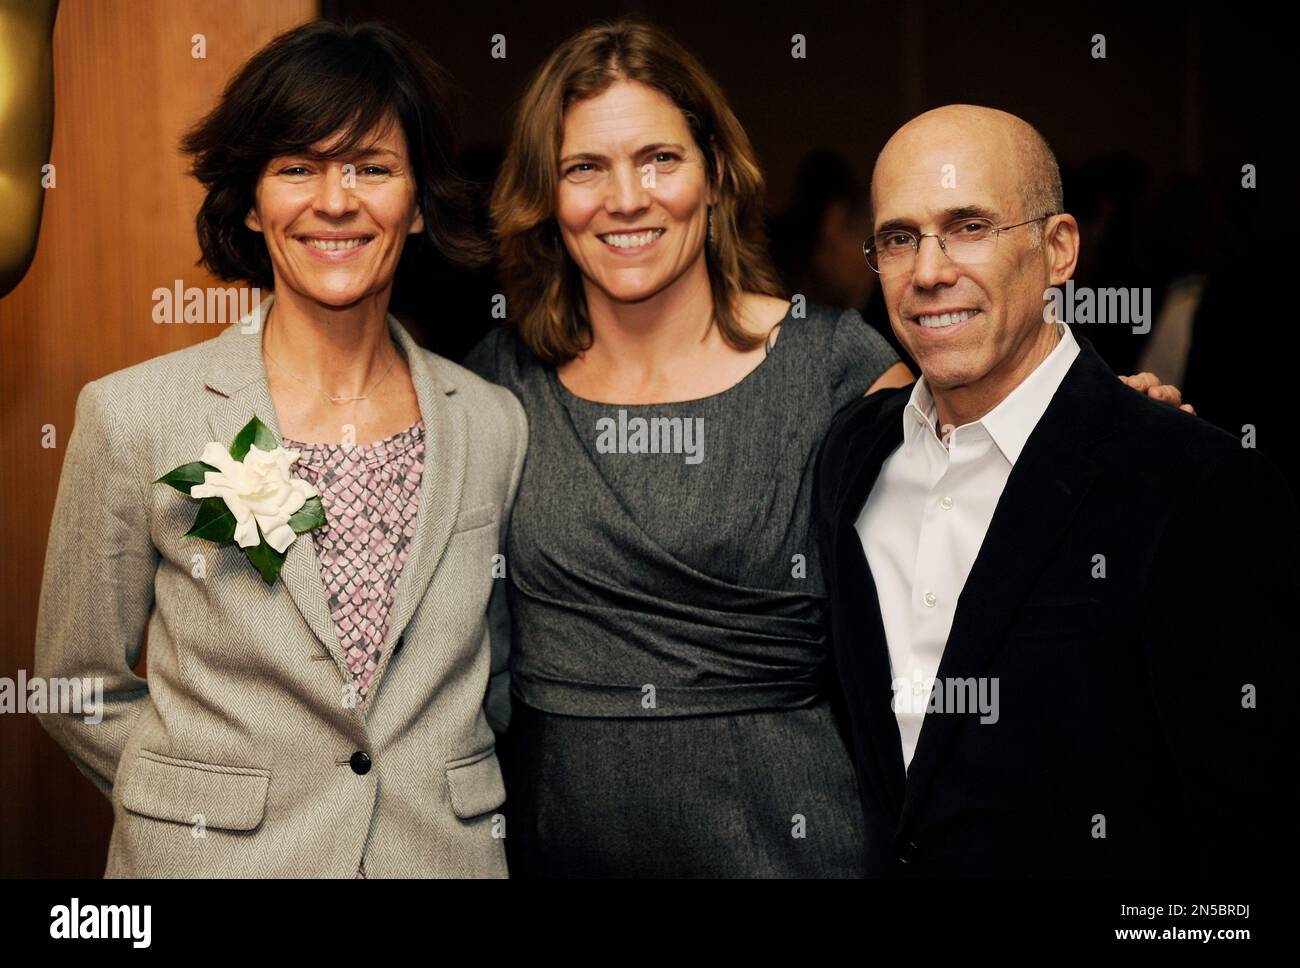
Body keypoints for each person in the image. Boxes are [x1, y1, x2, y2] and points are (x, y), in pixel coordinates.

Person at [33, 21, 525, 878]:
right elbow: (75, 684)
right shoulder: (133, 415)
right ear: (252, 202)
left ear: (416, 203)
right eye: (297, 167)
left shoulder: (493, 423)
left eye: (372, 168)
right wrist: (210, 801)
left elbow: (496, 682)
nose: (336, 202)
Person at [813, 104, 1295, 876]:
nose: (930, 271)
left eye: (970, 226)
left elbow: (1253, 834)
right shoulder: (851, 455)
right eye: (900, 238)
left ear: (1058, 248)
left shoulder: (1190, 485)